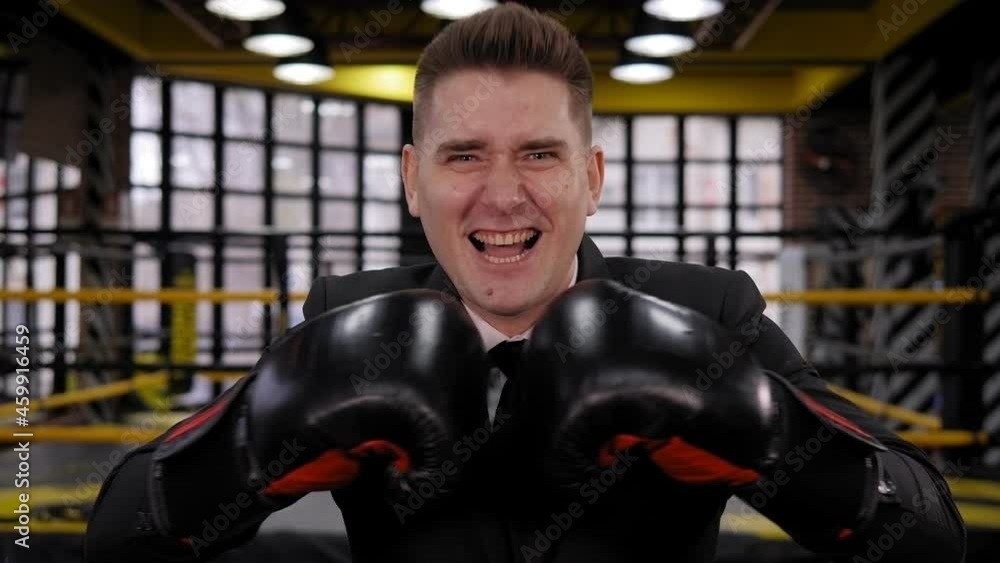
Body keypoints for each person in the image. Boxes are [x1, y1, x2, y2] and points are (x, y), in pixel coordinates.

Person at [84, 3, 966, 563]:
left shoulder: (708, 312)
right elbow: (117, 529)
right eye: (463, 155)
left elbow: (930, 533)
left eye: (539, 154)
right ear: (411, 178)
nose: (503, 196)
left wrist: (765, 431)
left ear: (591, 176)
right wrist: (250, 442)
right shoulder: (353, 317)